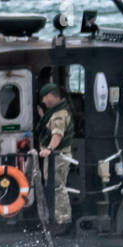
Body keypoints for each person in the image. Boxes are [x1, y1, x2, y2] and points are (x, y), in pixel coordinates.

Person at [35, 83, 75, 233]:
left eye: (45, 98)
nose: (44, 101)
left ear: (52, 96)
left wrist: (49, 149)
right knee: (54, 184)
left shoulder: (59, 115)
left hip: (58, 156)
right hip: (58, 156)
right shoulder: (56, 113)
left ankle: (62, 221)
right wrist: (42, 116)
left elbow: (57, 134)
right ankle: (57, 220)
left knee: (58, 187)